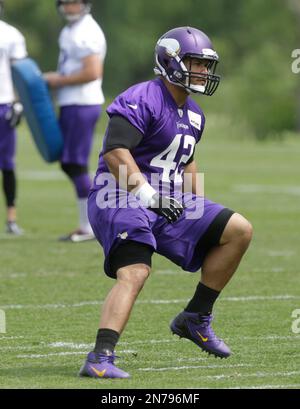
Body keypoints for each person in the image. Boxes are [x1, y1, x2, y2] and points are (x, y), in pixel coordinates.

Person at [79, 26, 253, 379]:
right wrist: (148, 195)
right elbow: (115, 152)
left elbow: (185, 160)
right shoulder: (142, 97)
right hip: (119, 195)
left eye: (206, 65)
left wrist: (200, 212)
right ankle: (100, 357)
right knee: (136, 271)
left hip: (165, 199)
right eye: (196, 63)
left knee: (238, 230)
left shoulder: (194, 115)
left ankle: (195, 317)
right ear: (170, 62)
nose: (203, 72)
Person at [44, 0, 106, 242]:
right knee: (69, 163)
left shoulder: (87, 31)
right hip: (72, 103)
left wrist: (57, 80)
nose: (69, 7)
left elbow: (92, 72)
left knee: (76, 164)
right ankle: (86, 224)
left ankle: (91, 226)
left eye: (74, 2)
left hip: (83, 102)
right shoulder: (70, 30)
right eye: (66, 2)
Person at [0, 0, 27, 235]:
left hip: (4, 103)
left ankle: (11, 218)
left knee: (7, 164)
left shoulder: (10, 34)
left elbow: (19, 72)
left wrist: (19, 102)